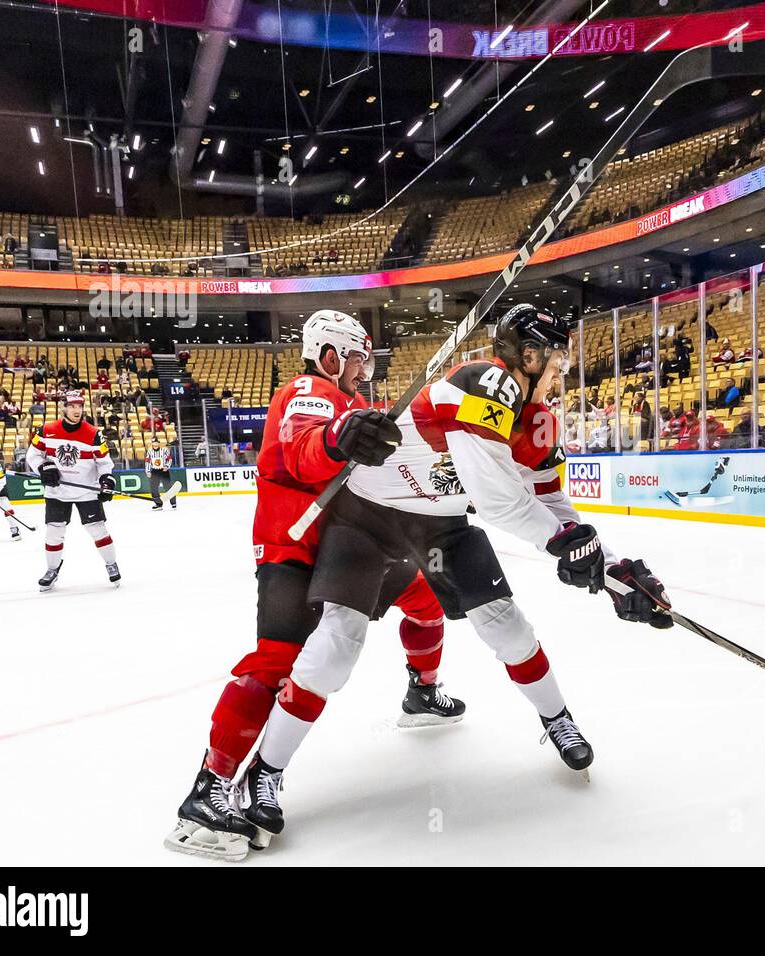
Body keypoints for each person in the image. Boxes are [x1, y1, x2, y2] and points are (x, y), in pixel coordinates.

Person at [237, 304, 672, 848]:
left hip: (439, 525)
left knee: (506, 624)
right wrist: (566, 545)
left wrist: (611, 570)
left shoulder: (538, 420)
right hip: (367, 517)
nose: (563, 373)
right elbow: (496, 500)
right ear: (530, 356)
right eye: (557, 360)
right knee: (335, 646)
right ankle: (266, 771)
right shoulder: (484, 385)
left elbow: (549, 501)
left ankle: (556, 718)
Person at [166, 311, 463, 861]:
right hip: (295, 547)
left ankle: (422, 691)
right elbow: (306, 454)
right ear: (330, 356)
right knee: (278, 659)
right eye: (355, 360)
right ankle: (209, 791)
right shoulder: (310, 389)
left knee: (426, 603)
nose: (362, 372)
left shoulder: (349, 403)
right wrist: (340, 437)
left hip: (353, 546)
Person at [25, 390, 120, 590]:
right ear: (64, 408)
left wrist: (106, 481)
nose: (77, 410)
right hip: (57, 491)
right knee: (54, 533)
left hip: (86, 490)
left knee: (98, 529)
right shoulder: (46, 430)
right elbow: (33, 454)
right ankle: (52, 569)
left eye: (80, 406)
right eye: (72, 406)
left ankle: (111, 564)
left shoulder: (93, 434)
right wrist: (43, 467)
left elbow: (104, 462)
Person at [145, 438, 177, 510]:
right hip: (155, 471)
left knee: (168, 487)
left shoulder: (164, 450)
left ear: (159, 443)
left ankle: (173, 503)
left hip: (163, 471)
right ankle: (158, 504)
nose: (155, 444)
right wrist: (148, 471)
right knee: (153, 488)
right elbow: (147, 461)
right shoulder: (149, 451)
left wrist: (167, 466)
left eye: (156, 443)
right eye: (154, 443)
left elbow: (169, 459)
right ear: (152, 444)